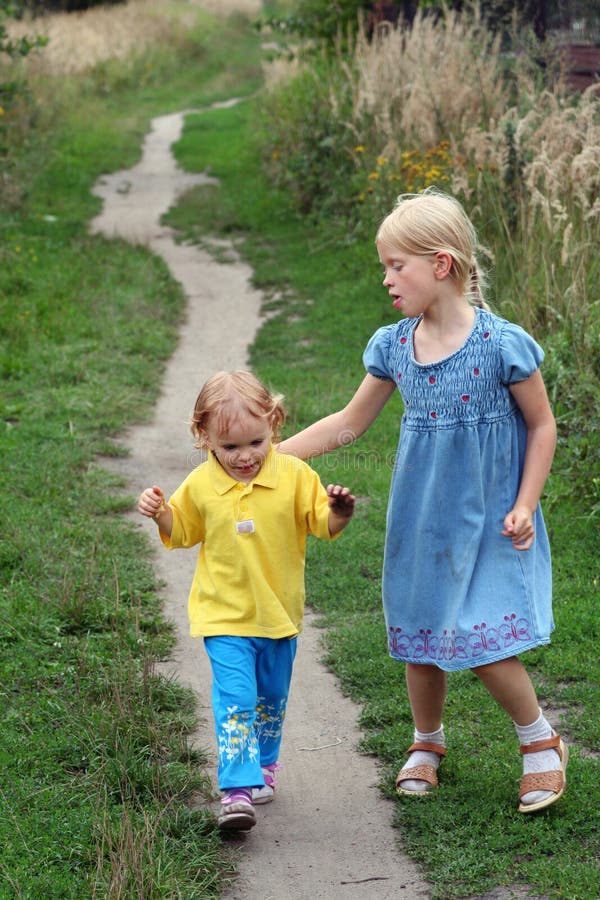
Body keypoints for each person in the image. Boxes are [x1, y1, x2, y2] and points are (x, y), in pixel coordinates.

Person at [278, 189, 567, 814]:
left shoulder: (503, 345)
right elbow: (347, 423)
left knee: (482, 642)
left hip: (494, 520)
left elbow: (543, 426)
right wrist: (275, 457)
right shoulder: (394, 346)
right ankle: (426, 742)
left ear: (441, 264)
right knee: (421, 635)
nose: (386, 279)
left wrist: (526, 502)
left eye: (395, 265)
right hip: (423, 517)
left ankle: (539, 740)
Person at [138, 370, 355, 830]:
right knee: (236, 699)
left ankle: (266, 766)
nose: (244, 457)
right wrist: (161, 514)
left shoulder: (295, 475)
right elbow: (182, 533)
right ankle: (236, 790)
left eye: (255, 443)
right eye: (230, 447)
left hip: (278, 616)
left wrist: (339, 512)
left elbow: (322, 524)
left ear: (274, 424)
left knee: (270, 700)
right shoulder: (200, 484)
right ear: (205, 437)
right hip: (224, 617)